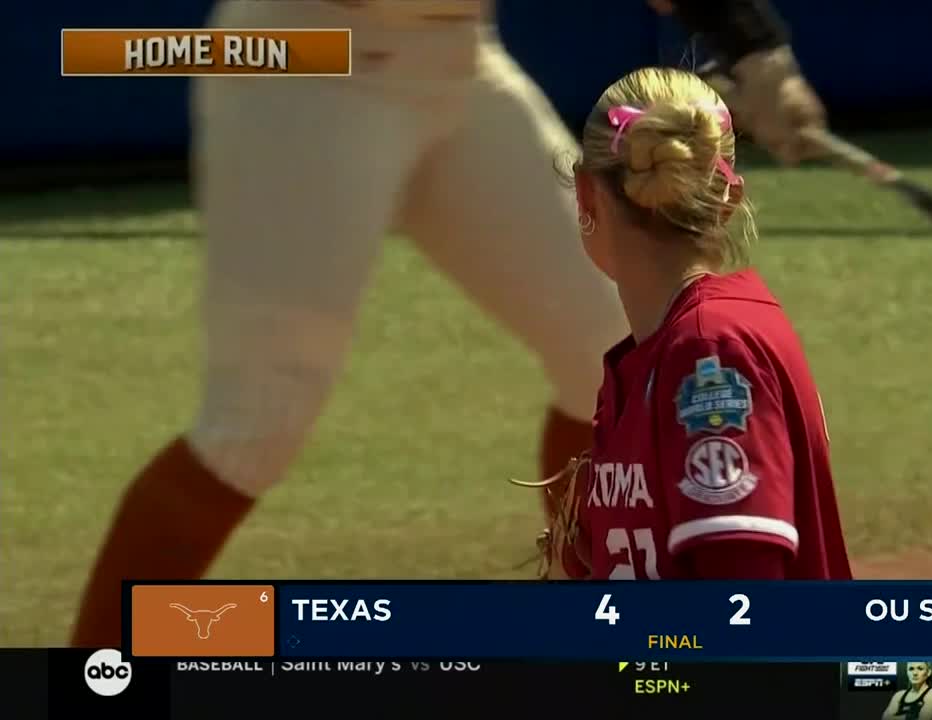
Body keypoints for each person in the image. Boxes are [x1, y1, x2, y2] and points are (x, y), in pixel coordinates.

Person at [69, 1, 830, 646]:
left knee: (611, 342)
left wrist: (752, 45)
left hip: (457, 66)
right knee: (255, 423)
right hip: (303, 64)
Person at [520, 65, 849, 581]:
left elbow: (743, 616)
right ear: (728, 200)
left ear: (584, 196)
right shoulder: (652, 357)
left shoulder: (708, 354)